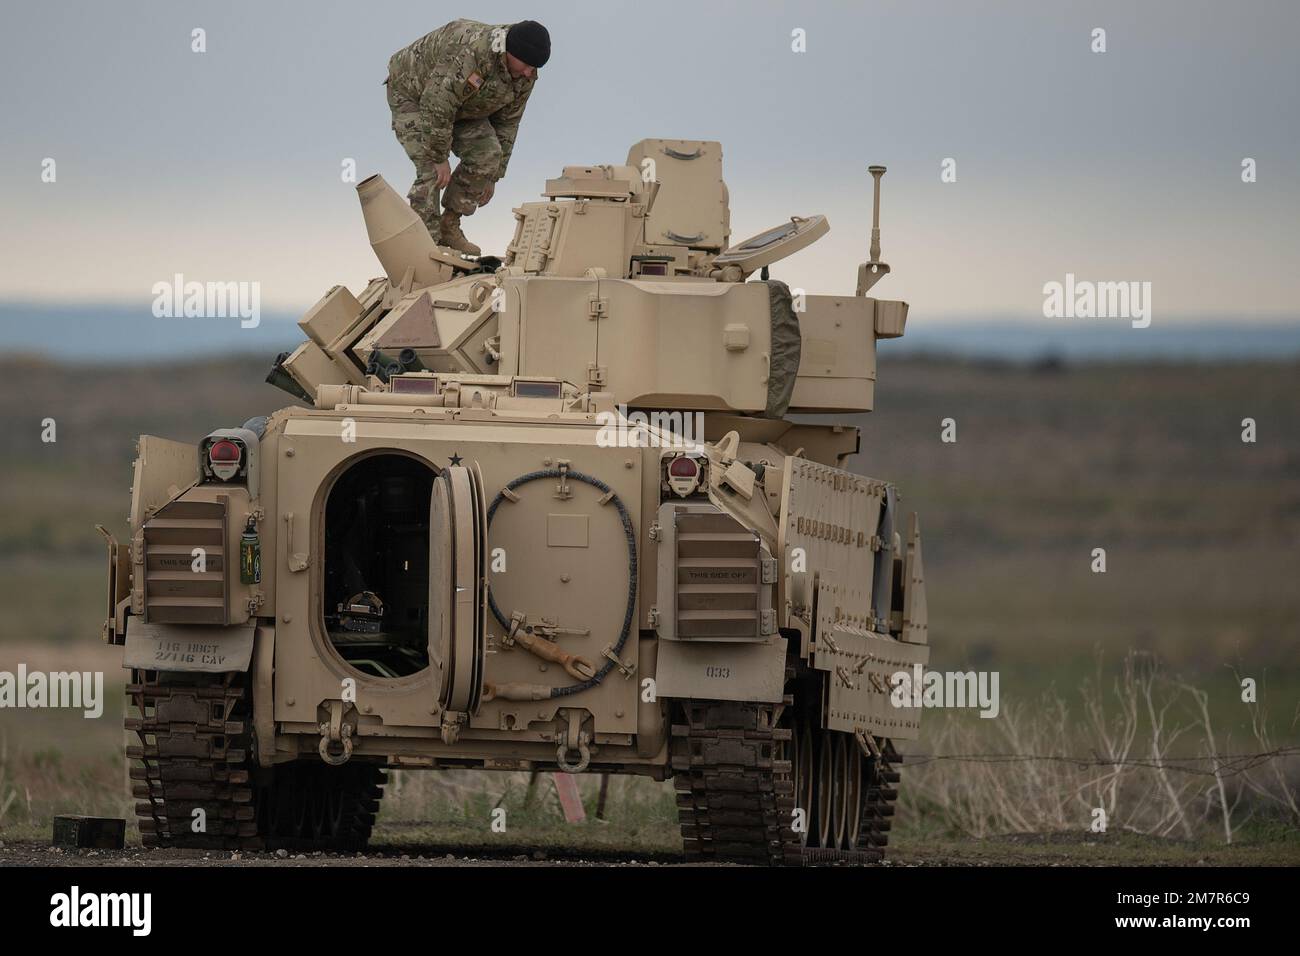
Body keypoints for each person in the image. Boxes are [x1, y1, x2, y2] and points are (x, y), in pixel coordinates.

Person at [385, 19, 550, 255]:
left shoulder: (525, 75)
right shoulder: (473, 52)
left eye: (534, 68)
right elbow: (437, 102)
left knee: (487, 156)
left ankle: (449, 225)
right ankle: (427, 248)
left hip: (465, 105)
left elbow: (507, 123)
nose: (528, 73)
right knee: (431, 171)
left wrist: (492, 176)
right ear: (509, 51)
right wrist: (439, 156)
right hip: (414, 94)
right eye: (525, 64)